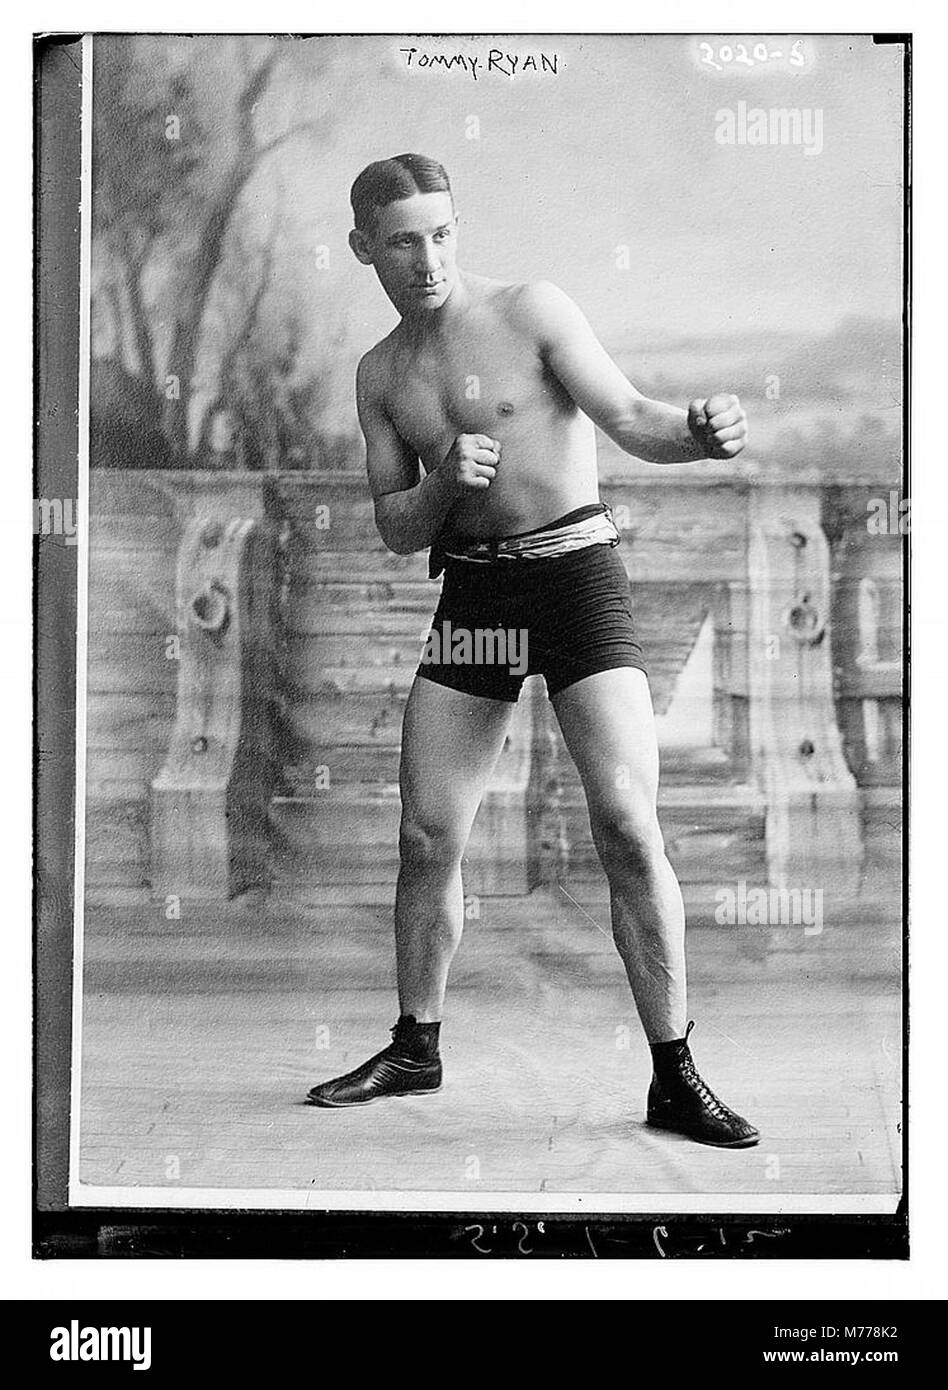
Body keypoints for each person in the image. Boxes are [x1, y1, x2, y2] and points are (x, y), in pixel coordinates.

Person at [306, 153, 759, 1148]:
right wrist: (442, 487)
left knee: (629, 824)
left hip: (575, 576)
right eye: (401, 242)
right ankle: (415, 1043)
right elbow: (394, 523)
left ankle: (675, 1075)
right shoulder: (380, 374)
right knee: (428, 835)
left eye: (441, 234)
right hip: (477, 587)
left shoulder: (531, 310)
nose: (426, 260)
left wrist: (701, 431)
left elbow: (634, 421)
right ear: (362, 250)